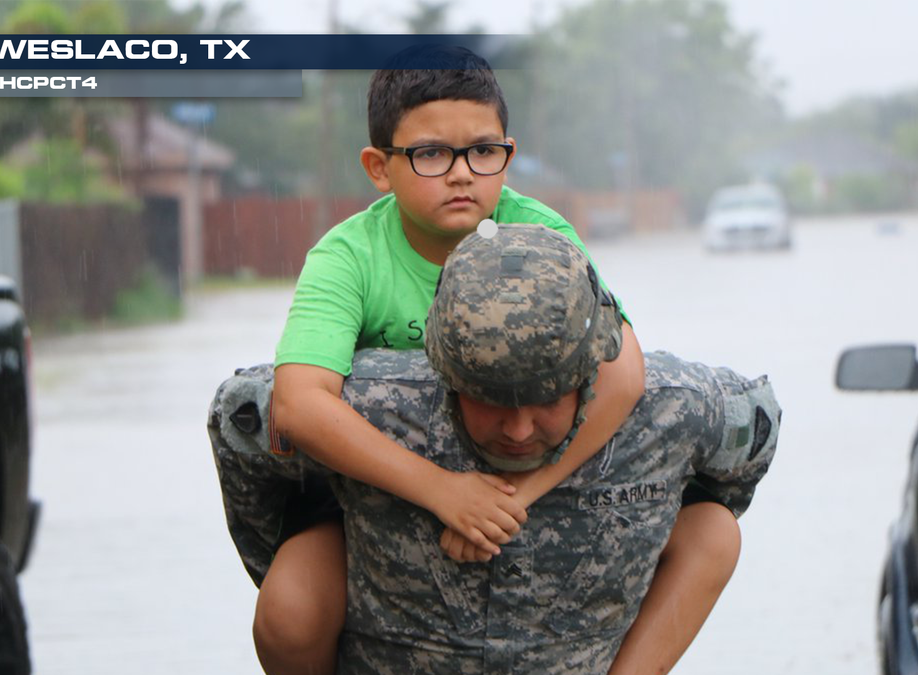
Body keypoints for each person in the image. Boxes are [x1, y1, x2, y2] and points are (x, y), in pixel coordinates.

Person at [259, 45, 678, 675]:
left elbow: (623, 372)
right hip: (383, 505)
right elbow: (297, 403)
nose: (462, 174)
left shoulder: (543, 238)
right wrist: (443, 492)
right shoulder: (348, 257)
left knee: (714, 534)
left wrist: (513, 499)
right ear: (379, 167)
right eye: (431, 154)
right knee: (288, 610)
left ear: (507, 154)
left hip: (543, 484)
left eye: (483, 151)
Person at [210, 224, 780, 674]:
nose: (518, 429)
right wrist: (334, 525)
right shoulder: (374, 409)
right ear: (443, 373)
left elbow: (755, 437)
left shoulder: (673, 410)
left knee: (714, 528)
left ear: (590, 373)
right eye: (490, 402)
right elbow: (240, 426)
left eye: (546, 400)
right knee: (292, 591)